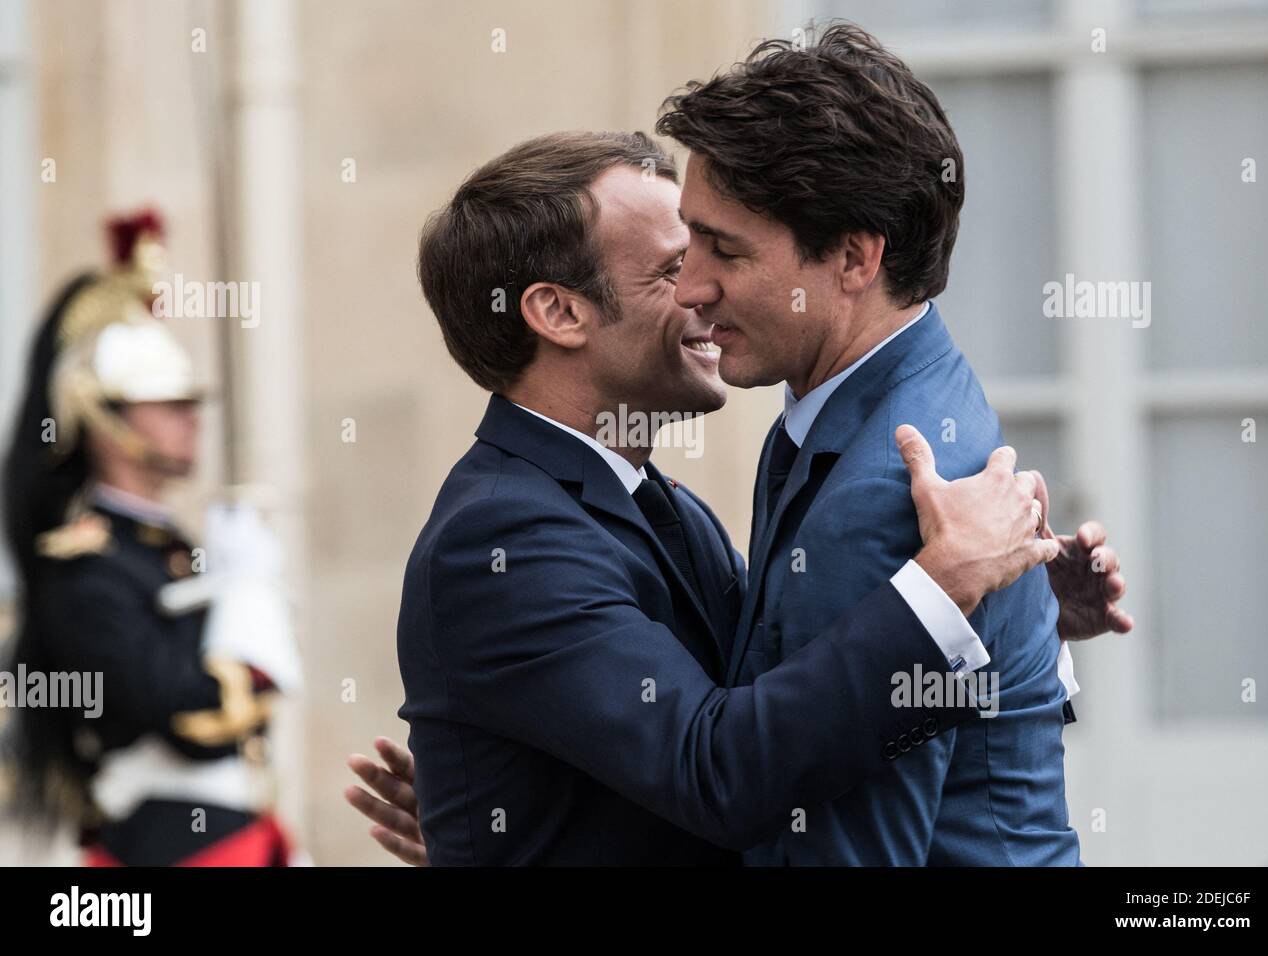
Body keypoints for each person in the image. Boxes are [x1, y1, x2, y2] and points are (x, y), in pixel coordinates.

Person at [358, 126, 1126, 866]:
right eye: (670, 270)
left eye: (713, 251)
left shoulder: (656, 502)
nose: (702, 291)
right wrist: (947, 583)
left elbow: (782, 684)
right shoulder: (501, 539)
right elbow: (719, 769)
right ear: (560, 313)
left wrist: (1006, 609)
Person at [0, 211, 302, 866]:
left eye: (192, 404)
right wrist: (246, 596)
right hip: (163, 845)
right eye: (169, 405)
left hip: (232, 830)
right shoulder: (83, 571)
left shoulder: (172, 547)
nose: (191, 420)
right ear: (104, 418)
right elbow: (194, 721)